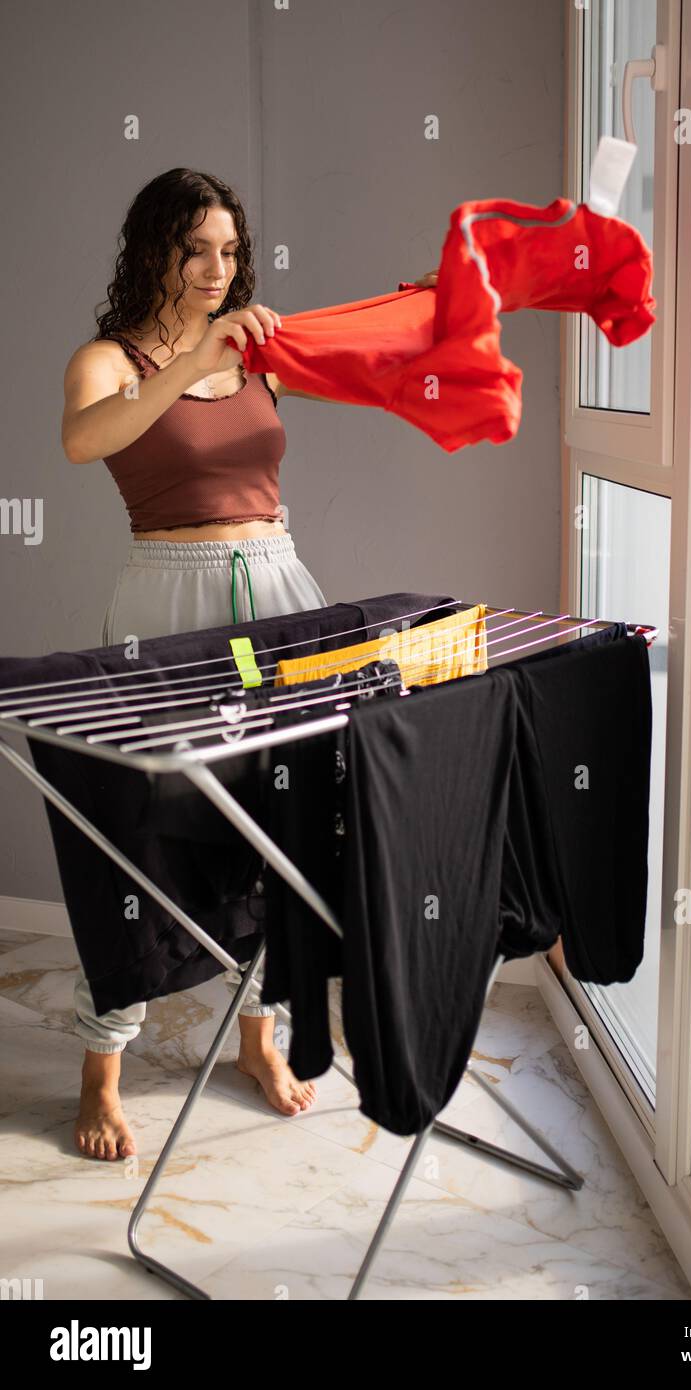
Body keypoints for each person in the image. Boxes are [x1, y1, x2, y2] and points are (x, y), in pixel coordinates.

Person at [60, 167, 437, 1160]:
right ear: (153, 250)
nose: (215, 269)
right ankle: (102, 1066)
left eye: (230, 250)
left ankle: (258, 1038)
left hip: (277, 590)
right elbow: (83, 439)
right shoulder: (109, 359)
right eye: (196, 250)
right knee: (140, 833)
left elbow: (375, 351)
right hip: (167, 596)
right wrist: (186, 368)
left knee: (286, 818)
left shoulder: (260, 349)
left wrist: (437, 298)